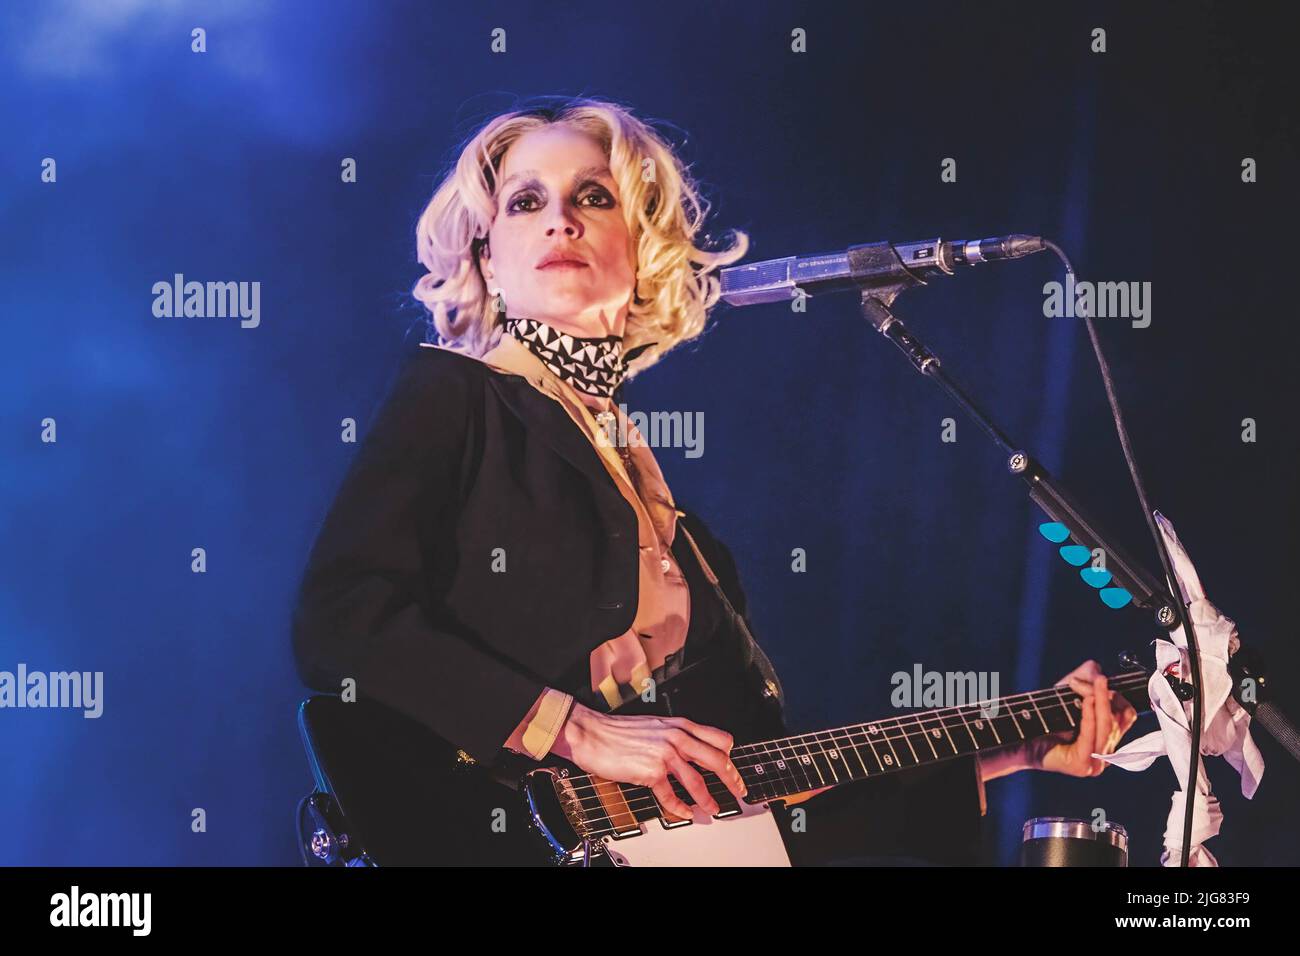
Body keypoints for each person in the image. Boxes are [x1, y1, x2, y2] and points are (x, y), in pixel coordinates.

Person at [291, 95, 1138, 865]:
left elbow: (778, 809)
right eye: (526, 202)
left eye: (593, 196)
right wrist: (577, 731)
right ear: (487, 252)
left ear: (644, 242)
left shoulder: (679, 529)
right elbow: (342, 618)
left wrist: (1020, 745)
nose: (560, 222)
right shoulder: (456, 396)